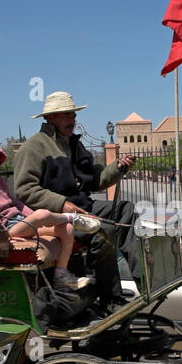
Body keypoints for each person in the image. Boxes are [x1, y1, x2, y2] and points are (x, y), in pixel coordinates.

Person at [12, 91, 140, 308]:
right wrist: (61, 203)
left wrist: (118, 167)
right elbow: (24, 189)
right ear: (50, 118)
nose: (72, 120)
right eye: (66, 116)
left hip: (82, 207)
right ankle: (111, 298)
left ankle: (143, 279)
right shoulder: (33, 147)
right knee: (104, 231)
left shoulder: (74, 145)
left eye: (73, 115)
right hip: (57, 216)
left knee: (125, 210)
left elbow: (95, 179)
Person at [0, 134, 98, 290]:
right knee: (42, 214)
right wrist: (5, 233)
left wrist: (32, 217)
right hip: (5, 228)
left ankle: (61, 275)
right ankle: (72, 218)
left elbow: (16, 203)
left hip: (21, 222)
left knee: (66, 229)